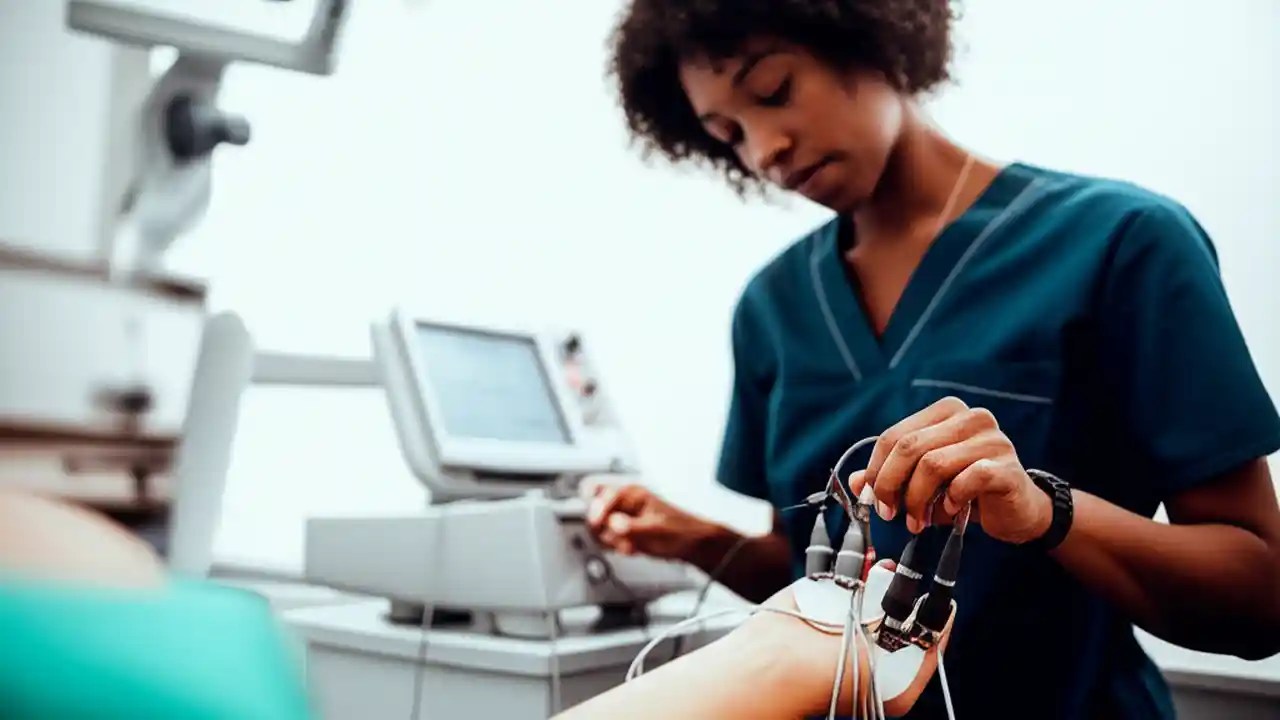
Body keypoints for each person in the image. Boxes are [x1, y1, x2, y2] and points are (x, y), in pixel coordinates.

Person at [586, 1, 1280, 718]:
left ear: (871, 38)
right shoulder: (772, 308)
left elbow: (1260, 596)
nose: (765, 149)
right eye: (728, 134)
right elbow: (819, 579)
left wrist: (1045, 511)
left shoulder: (1123, 244)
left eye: (774, 92)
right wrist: (693, 539)